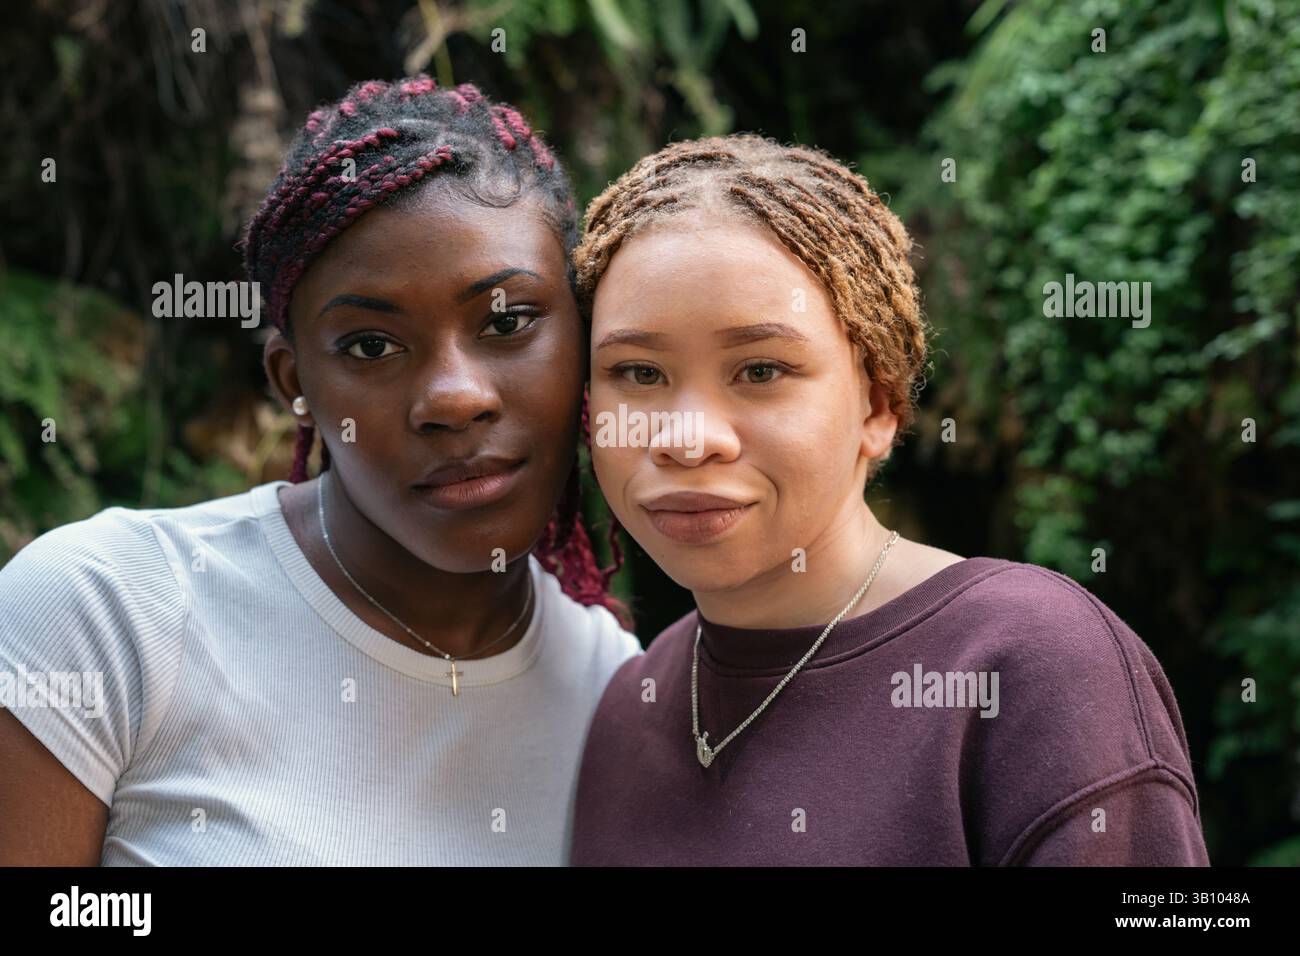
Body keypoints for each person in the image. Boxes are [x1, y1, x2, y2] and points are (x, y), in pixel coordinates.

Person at [0, 76, 639, 866]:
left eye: (506, 321)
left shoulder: (615, 692)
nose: (455, 398)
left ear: (586, 340)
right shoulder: (110, 609)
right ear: (294, 384)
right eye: (371, 345)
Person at [568, 134, 1209, 865]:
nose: (688, 438)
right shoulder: (629, 706)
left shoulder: (1029, 667)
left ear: (877, 407)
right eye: (640, 373)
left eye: (761, 369)